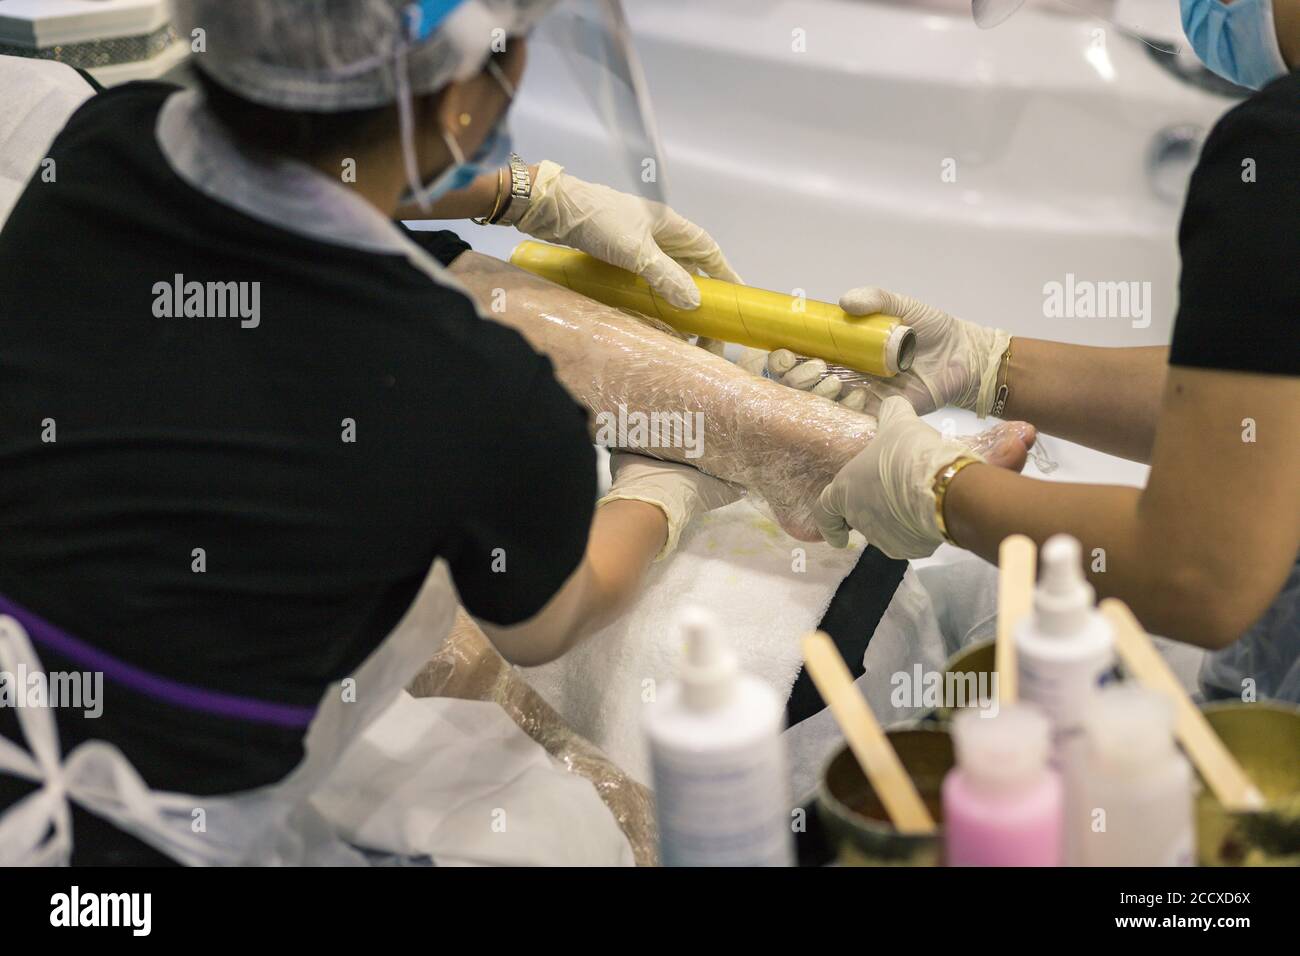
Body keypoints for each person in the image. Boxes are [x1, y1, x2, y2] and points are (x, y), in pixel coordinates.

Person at [0, 0, 742, 864]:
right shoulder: (478, 390)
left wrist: (522, 194)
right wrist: (663, 491)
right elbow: (546, 622)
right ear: (460, 94)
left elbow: (296, 157)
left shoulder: (98, 140)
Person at [810, 0, 1300, 702]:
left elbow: (1199, 575)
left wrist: (940, 491)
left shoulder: (1277, 152)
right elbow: (1260, 412)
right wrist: (985, 364)